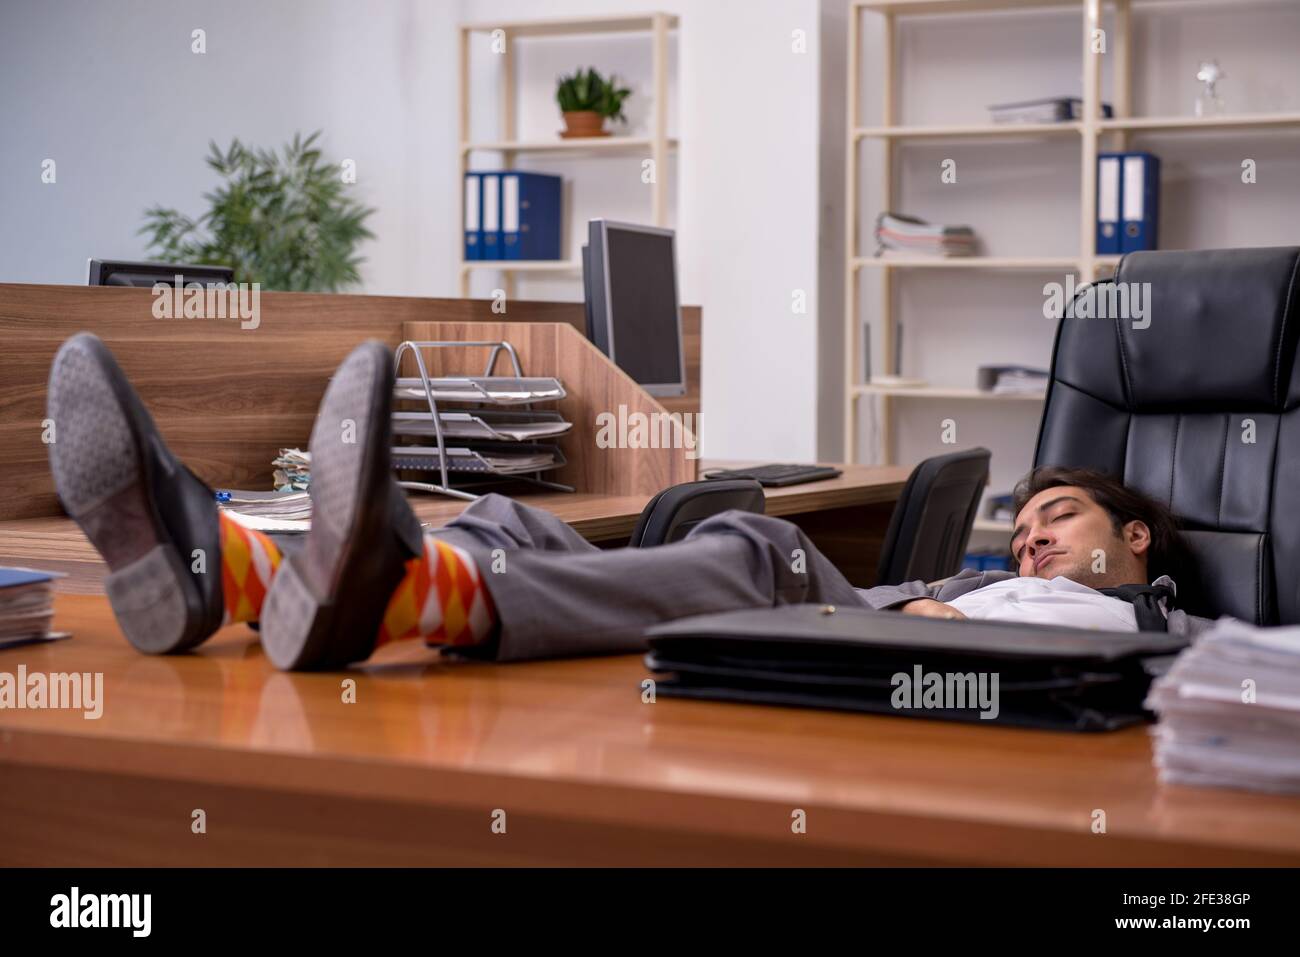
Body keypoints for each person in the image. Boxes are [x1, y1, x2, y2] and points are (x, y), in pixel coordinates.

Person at [45, 335, 1211, 672]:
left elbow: (1038, 649)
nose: (1030, 533)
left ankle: (361, 584)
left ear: (1135, 540)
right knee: (511, 521)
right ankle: (235, 573)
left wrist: (940, 619)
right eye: (1024, 523)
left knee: (754, 543)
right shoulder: (1026, 586)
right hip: (883, 604)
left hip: (871, 625)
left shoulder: (1122, 622)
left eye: (1056, 519)